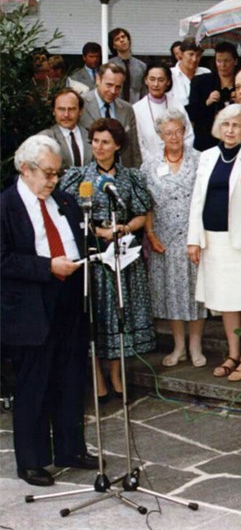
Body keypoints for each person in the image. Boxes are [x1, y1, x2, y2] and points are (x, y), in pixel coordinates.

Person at [2, 135, 98, 487]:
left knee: (71, 376)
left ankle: (70, 449)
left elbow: (79, 237)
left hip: (69, 295)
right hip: (31, 304)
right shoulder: (6, 206)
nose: (54, 180)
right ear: (26, 170)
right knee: (34, 383)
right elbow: (4, 259)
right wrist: (46, 268)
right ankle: (32, 460)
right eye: (48, 174)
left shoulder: (63, 200)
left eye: (57, 173)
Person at [59, 118, 155, 402]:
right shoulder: (79, 177)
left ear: (117, 146)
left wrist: (124, 228)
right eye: (95, 141)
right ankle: (97, 376)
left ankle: (116, 374)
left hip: (123, 257)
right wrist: (98, 231)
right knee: (96, 315)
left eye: (105, 142)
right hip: (94, 255)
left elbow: (141, 213)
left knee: (120, 315)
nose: (99, 147)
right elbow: (67, 214)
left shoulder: (130, 178)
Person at [189, 104, 241, 382]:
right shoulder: (208, 156)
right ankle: (232, 354)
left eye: (236, 125)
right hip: (214, 240)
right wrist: (194, 240)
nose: (230, 130)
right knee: (225, 301)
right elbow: (197, 199)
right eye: (226, 125)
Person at [140, 109, 207, 368]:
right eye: (168, 132)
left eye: (178, 131)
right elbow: (146, 203)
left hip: (192, 236)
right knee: (171, 292)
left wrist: (199, 237)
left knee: (195, 292)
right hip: (163, 238)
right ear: (160, 135)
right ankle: (179, 345)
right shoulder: (149, 164)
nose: (174, 136)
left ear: (185, 130)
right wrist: (151, 234)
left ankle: (196, 344)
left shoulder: (200, 160)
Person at [79, 62, 142, 168]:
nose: (113, 91)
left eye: (118, 87)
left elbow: (134, 148)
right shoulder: (81, 104)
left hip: (122, 174)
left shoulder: (127, 109)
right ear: (98, 79)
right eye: (109, 85)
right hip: (90, 173)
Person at [134, 63, 195, 158]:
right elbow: (138, 143)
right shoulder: (137, 109)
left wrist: (176, 158)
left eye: (161, 80)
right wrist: (153, 163)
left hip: (177, 161)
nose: (156, 84)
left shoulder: (177, 105)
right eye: (152, 79)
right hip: (149, 164)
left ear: (168, 82)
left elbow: (188, 136)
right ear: (146, 80)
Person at [187, 42, 238, 151]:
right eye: (219, 61)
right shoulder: (200, 81)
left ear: (235, 61)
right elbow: (191, 113)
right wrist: (207, 102)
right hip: (206, 142)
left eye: (227, 61)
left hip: (235, 140)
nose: (222, 65)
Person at [37, 88, 92, 168]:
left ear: (80, 111)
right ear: (53, 111)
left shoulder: (91, 136)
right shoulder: (44, 138)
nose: (66, 114)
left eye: (71, 109)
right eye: (61, 109)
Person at [108, 27, 147, 103]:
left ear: (128, 40)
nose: (122, 40)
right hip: (116, 106)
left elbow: (144, 90)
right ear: (113, 46)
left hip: (137, 106)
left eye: (123, 37)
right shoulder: (110, 65)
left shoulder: (141, 66)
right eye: (117, 39)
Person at [170, 37, 210, 107]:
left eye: (198, 55)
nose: (194, 59)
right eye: (191, 54)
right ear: (181, 54)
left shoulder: (206, 73)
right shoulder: (170, 74)